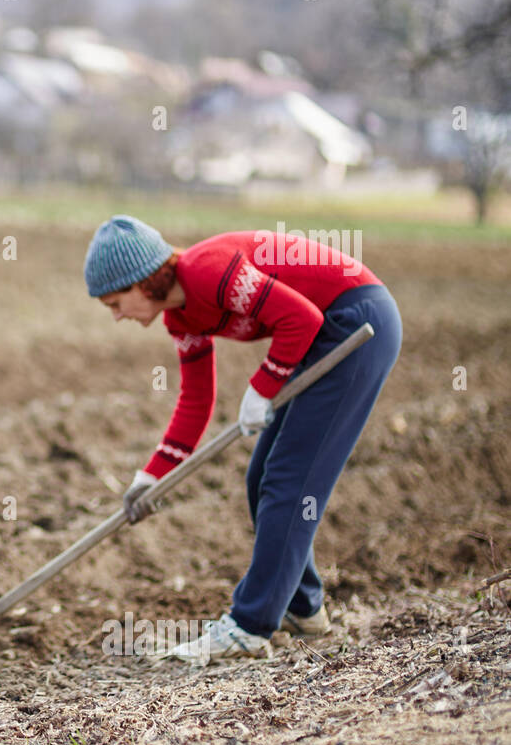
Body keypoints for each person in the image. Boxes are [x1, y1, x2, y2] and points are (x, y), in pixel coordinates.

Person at [83, 215, 402, 665]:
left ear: (142, 281)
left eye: (116, 302)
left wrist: (263, 386)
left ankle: (249, 626)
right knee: (260, 479)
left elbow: (301, 317)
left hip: (358, 322)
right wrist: (150, 477)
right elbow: (196, 401)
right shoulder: (179, 318)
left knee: (290, 479)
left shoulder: (206, 270)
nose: (117, 316)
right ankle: (302, 607)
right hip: (325, 332)